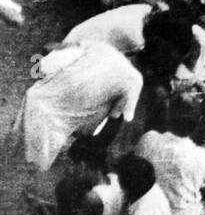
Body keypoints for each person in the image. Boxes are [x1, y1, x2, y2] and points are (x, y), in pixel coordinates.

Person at [19, 41, 143, 171]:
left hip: (33, 101)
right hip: (53, 131)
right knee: (26, 172)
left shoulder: (101, 47)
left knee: (9, 158)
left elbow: (46, 62)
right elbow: (115, 125)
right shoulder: (135, 80)